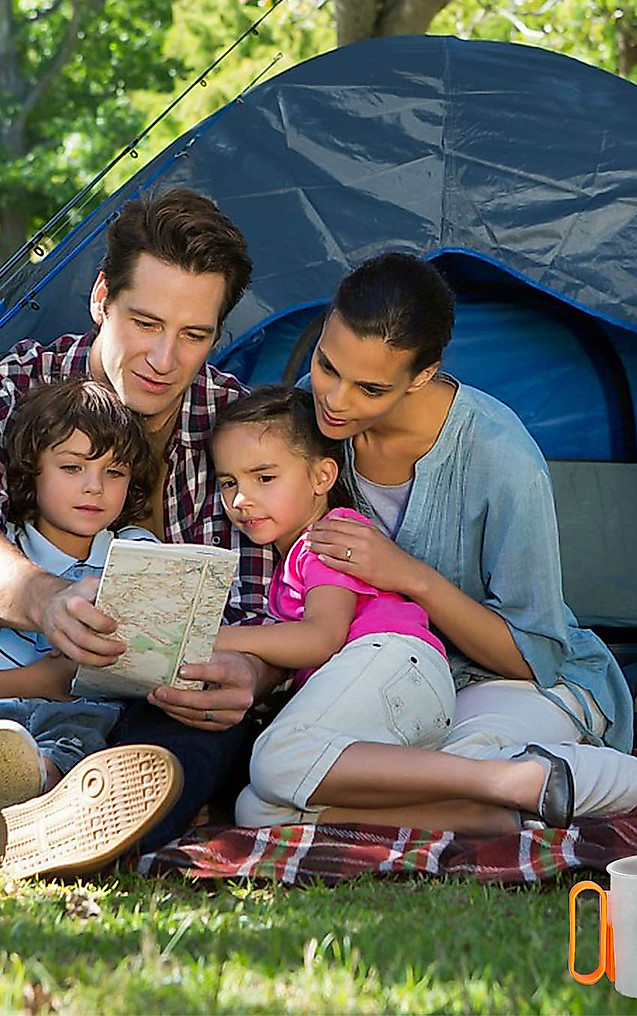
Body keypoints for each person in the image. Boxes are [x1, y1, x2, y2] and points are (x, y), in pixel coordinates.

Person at [249, 253, 637, 832]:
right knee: (265, 790)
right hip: (390, 680)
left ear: (423, 374)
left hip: (512, 682)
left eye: (369, 387)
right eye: (326, 365)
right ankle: (485, 815)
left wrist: (412, 577)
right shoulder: (307, 425)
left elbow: (530, 656)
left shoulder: (499, 455)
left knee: (452, 761)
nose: (335, 400)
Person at [0, 187, 281, 874]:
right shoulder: (20, 390)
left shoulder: (239, 429)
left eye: (194, 335)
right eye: (145, 323)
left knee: (190, 738)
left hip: (166, 706)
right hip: (20, 682)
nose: (163, 360)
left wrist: (254, 669)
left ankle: (74, 820)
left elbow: (274, 604)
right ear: (102, 298)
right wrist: (43, 598)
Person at [207, 386, 461, 827]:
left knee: (275, 758)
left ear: (322, 477)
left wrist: (209, 637)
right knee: (255, 807)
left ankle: (508, 778)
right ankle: (471, 814)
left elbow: (320, 639)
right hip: (385, 696)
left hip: (394, 662)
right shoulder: (289, 564)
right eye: (230, 482)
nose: (241, 500)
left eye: (264, 478)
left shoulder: (330, 535)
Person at [0, 380, 182, 875]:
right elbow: (49, 678)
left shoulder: (137, 555)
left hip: (84, 711)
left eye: (113, 472)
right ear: (30, 472)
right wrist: (42, 680)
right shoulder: (12, 552)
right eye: (72, 467)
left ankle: (42, 793)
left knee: (81, 732)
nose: (94, 487)